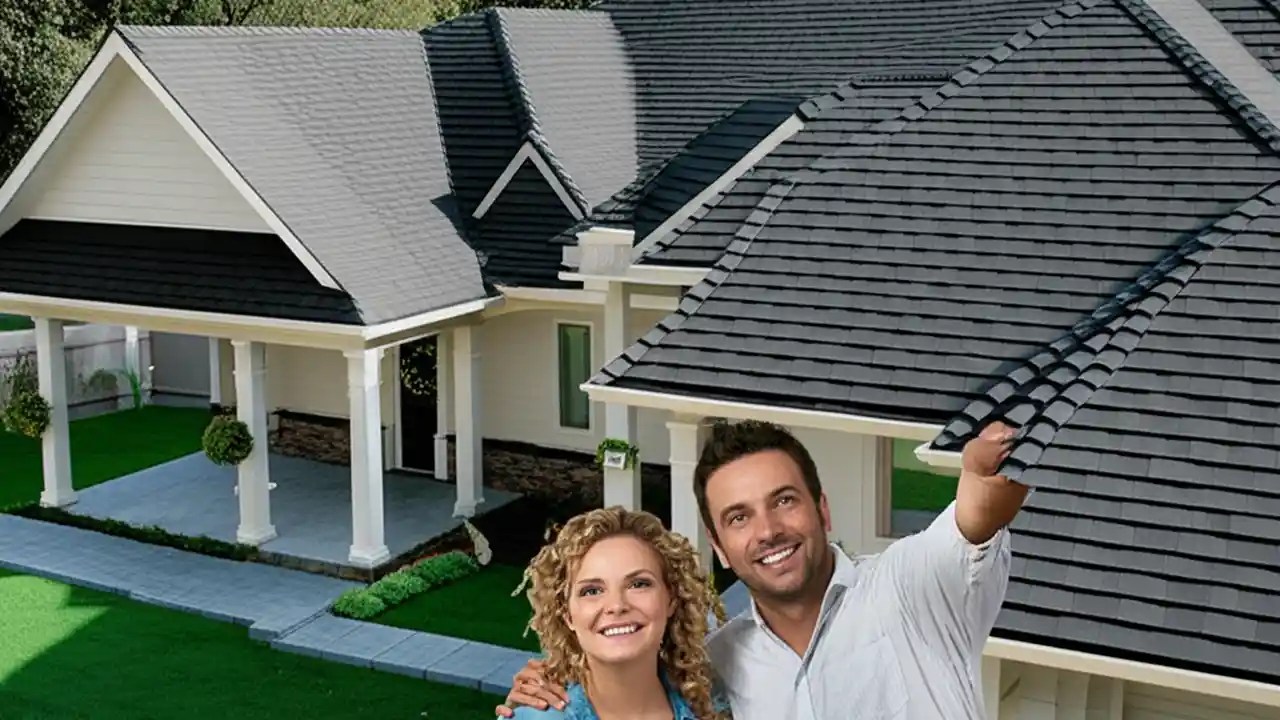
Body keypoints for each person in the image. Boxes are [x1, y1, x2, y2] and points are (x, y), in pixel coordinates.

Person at [498, 419, 1027, 720]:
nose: (768, 530)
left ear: (822, 509)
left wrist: (985, 469)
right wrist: (551, 681)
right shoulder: (718, 666)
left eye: (784, 501)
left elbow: (974, 518)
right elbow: (623, 668)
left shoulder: (911, 589)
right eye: (739, 516)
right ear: (720, 547)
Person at [503, 506, 727, 720]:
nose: (617, 605)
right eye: (591, 590)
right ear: (567, 615)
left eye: (638, 584)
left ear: (672, 599)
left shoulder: (716, 705)